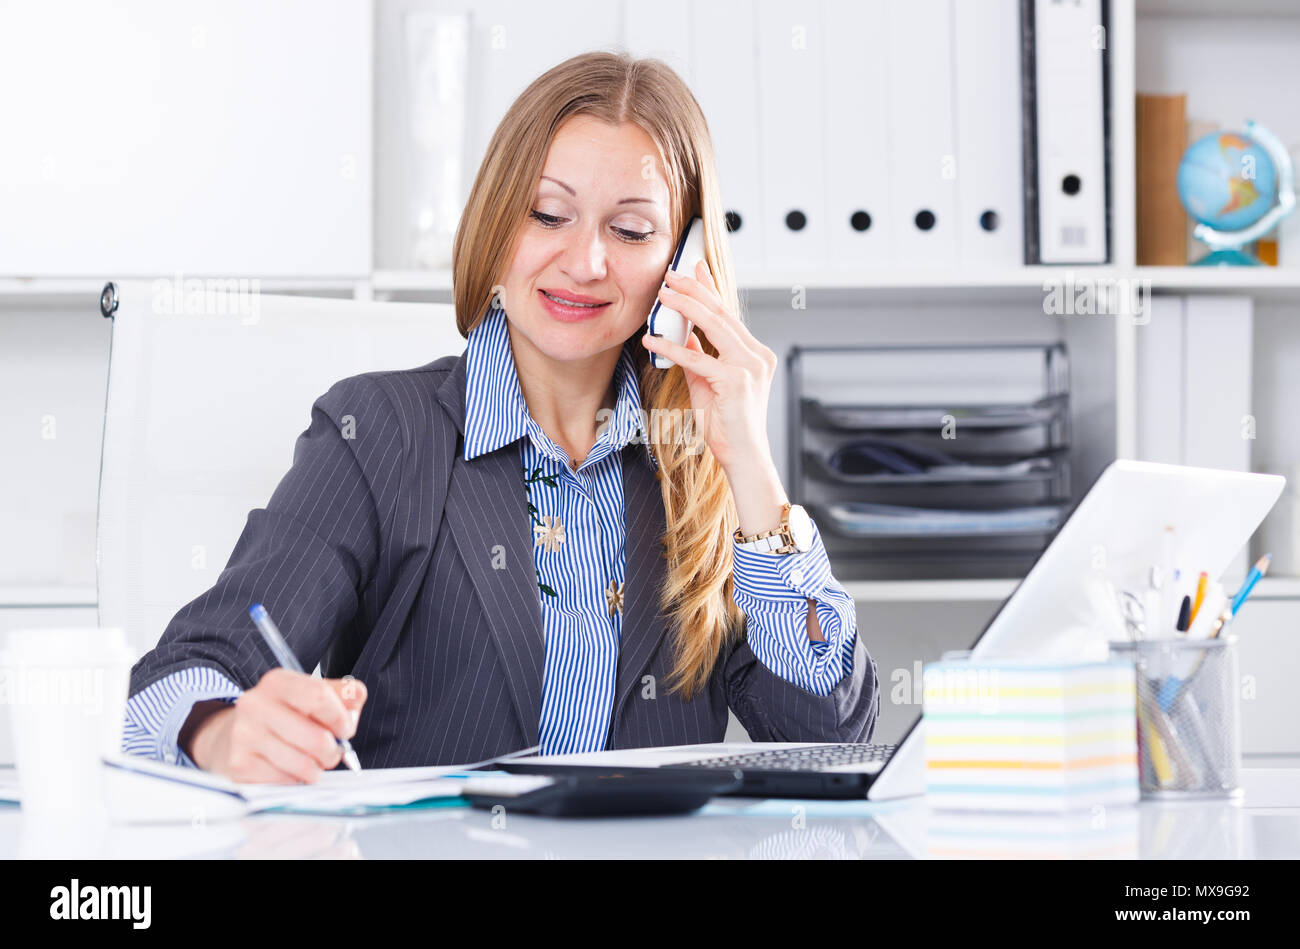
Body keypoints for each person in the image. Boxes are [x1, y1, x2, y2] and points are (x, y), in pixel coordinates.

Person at [123, 51, 879, 783]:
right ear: (495, 223)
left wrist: (749, 463)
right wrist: (222, 731)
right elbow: (186, 672)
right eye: (548, 213)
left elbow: (829, 741)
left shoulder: (704, 468)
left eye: (632, 230)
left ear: (685, 262)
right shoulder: (378, 433)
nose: (584, 260)